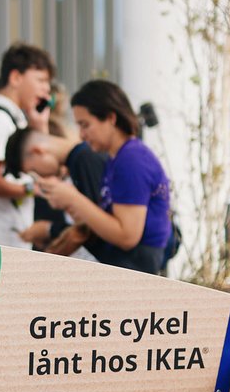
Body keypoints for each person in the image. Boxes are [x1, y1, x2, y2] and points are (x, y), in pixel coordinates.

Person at [32, 80, 171, 274]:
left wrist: (73, 198)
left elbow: (127, 236)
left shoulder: (131, 159)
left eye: (85, 125)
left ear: (111, 118)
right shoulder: (120, 157)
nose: (81, 135)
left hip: (136, 267)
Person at [0, 42, 55, 246]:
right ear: (15, 78)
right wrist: (32, 189)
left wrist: (40, 125)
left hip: (9, 236)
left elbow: (44, 166)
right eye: (40, 80)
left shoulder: (17, 119)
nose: (46, 89)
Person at [4, 127, 106, 256]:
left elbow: (97, 228)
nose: (40, 177)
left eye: (34, 171)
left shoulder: (83, 159)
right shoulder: (79, 161)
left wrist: (50, 229)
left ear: (38, 151)